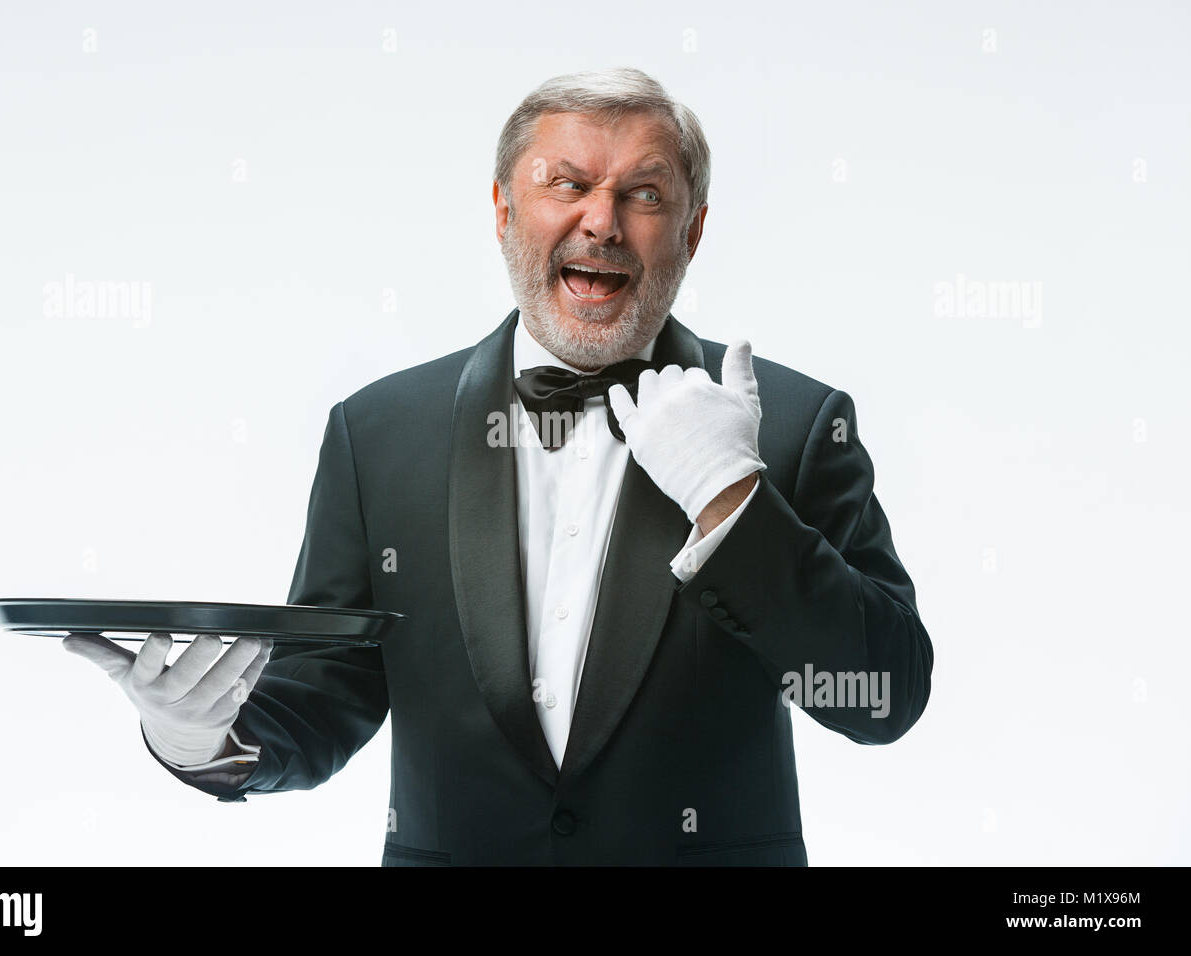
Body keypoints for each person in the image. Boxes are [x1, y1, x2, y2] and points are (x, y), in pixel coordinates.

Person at [65, 67, 933, 866]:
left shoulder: (796, 424)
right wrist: (203, 740)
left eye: (645, 194)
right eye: (568, 184)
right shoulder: (378, 434)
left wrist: (731, 497)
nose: (602, 222)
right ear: (503, 210)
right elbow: (326, 698)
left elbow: (882, 698)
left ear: (693, 231)